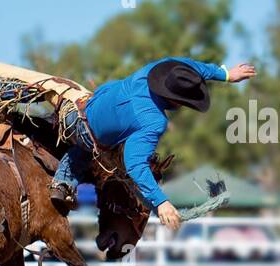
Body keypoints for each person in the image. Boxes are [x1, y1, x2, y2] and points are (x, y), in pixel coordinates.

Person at [50, 58, 256, 232]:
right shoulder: (154, 121)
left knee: (114, 103)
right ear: (176, 101)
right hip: (83, 132)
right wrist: (161, 201)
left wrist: (226, 74)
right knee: (87, 155)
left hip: (89, 102)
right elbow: (135, 164)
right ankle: (62, 181)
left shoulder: (157, 69)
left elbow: (191, 66)